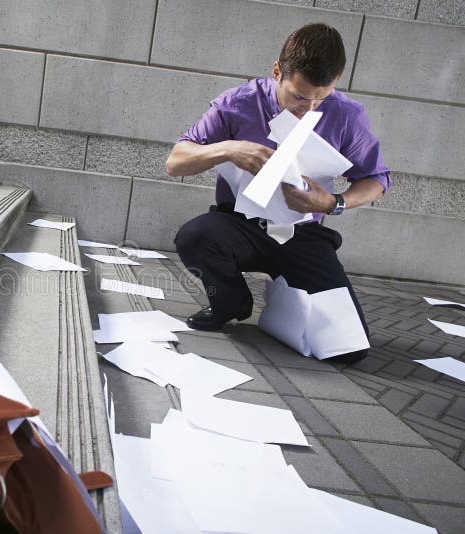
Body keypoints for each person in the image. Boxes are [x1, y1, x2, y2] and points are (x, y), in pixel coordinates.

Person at [167, 23, 390, 364]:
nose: (309, 109)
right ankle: (231, 301)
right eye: (299, 96)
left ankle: (287, 299)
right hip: (240, 227)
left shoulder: (347, 116)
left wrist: (334, 202)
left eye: (322, 97)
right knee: (195, 237)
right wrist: (229, 149)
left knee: (349, 351)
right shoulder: (237, 103)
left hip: (303, 235)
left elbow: (376, 180)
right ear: (277, 72)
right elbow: (176, 161)